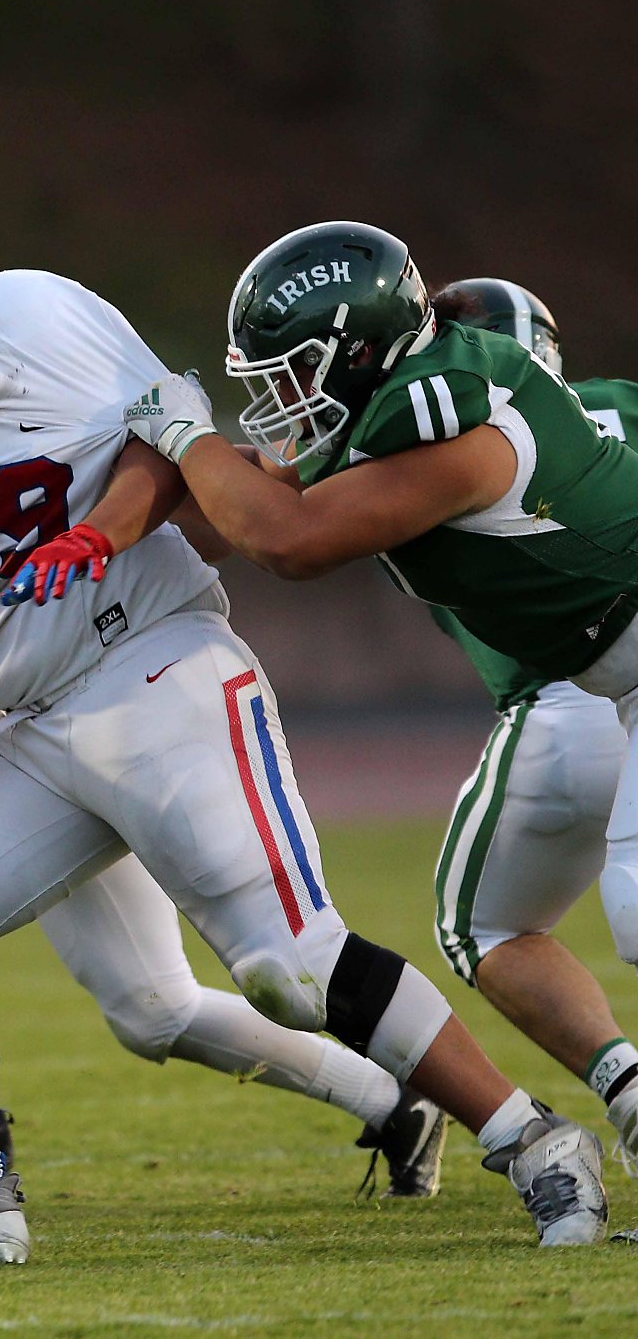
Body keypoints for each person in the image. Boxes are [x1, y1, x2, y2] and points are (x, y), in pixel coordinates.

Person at [0, 180, 605, 1265]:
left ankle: (533, 1140)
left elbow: (164, 434)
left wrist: (99, 534)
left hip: (146, 656)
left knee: (287, 967)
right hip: (17, 718)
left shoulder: (25, 315)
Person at [124, 239, 638, 1170]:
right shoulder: (388, 407)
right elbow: (238, 510)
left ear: (357, 351)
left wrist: (182, 434)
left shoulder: (450, 414)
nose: (276, 397)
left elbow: (288, 539)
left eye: (290, 372)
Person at [0, 552, 442, 1198]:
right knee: (153, 1011)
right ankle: (390, 1098)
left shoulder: (38, 439)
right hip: (26, 746)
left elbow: (184, 503)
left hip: (125, 716)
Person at [417, 278, 638, 1165]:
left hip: (566, 703)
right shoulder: (617, 405)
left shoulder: (434, 451)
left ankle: (626, 1084)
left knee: (485, 927)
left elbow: (295, 536)